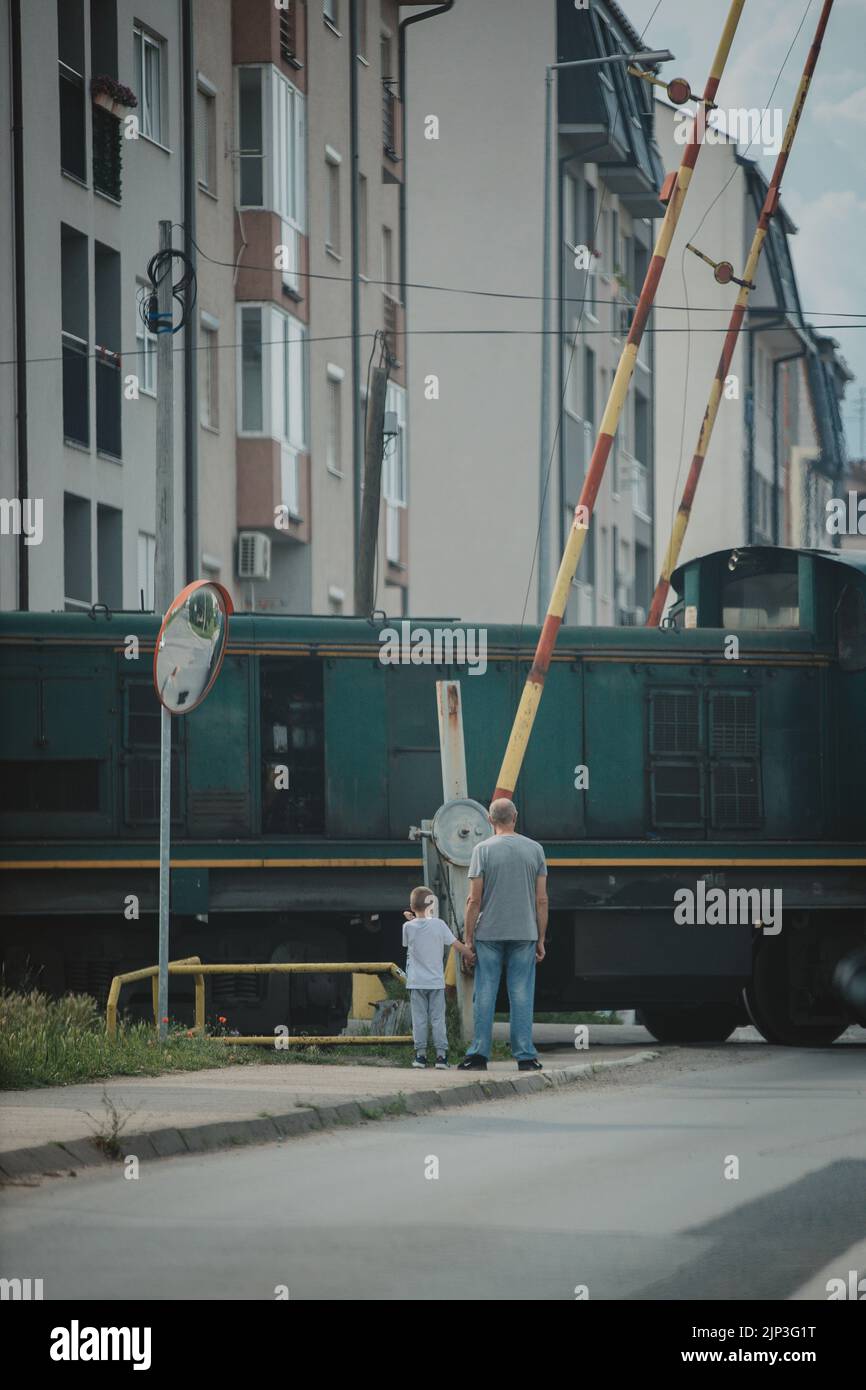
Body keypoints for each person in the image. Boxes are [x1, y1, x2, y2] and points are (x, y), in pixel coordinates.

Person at [457, 798, 547, 1072]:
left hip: (490, 933)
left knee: (485, 992)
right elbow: (541, 899)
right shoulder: (535, 849)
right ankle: (526, 1057)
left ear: (490, 820)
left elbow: (474, 900)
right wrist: (541, 938)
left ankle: (478, 1056)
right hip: (524, 932)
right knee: (521, 993)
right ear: (515, 817)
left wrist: (468, 939)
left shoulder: (482, 850)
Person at [403, 886, 475, 1069]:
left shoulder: (407, 927)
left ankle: (420, 1056)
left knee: (419, 1019)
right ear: (432, 907)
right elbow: (455, 944)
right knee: (437, 1019)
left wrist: (412, 919)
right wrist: (469, 954)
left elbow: (412, 937)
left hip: (415, 982)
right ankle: (441, 1057)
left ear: (412, 906)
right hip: (436, 982)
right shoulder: (440, 925)